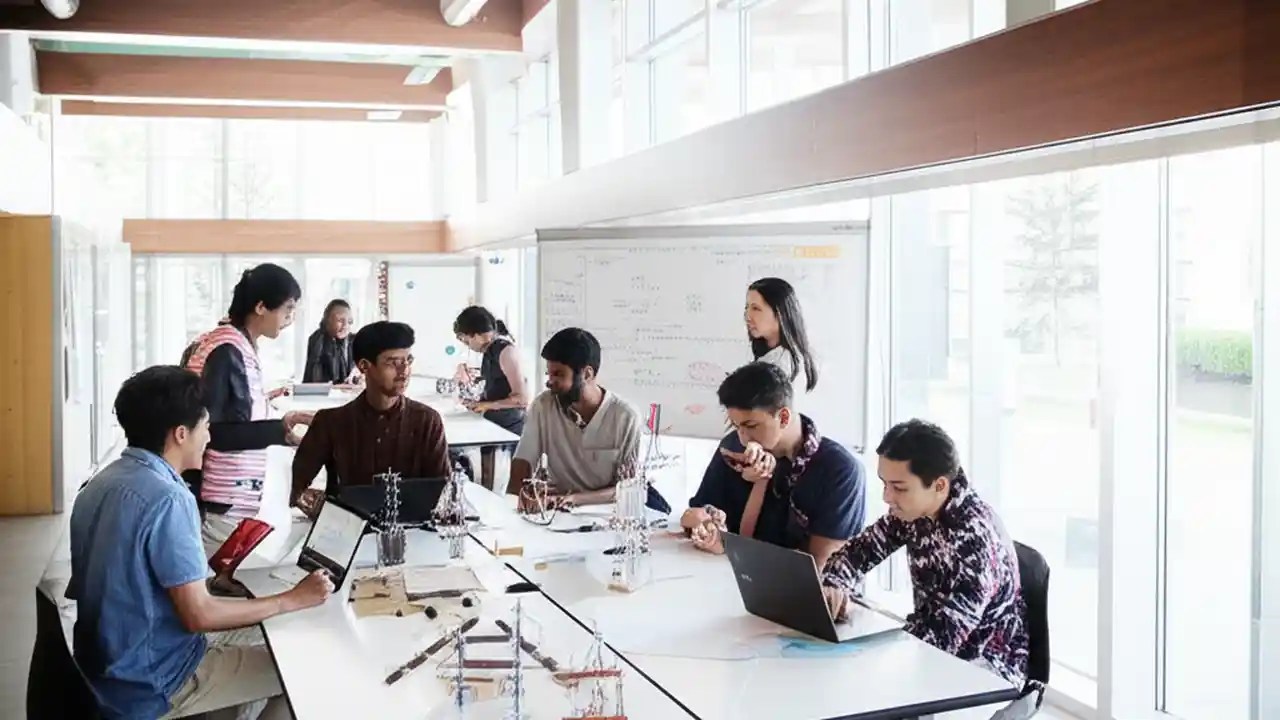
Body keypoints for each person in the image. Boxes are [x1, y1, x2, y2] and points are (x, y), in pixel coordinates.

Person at [68, 366, 333, 720]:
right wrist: (291, 598)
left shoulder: (100, 483)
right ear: (181, 434)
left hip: (103, 671)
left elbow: (125, 584)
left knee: (264, 634)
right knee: (300, 671)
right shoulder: (169, 499)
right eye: (206, 427)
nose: (209, 438)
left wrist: (209, 584)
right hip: (154, 681)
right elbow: (199, 615)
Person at [820, 419, 1028, 686]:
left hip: (983, 671)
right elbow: (858, 552)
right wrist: (835, 584)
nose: (887, 497)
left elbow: (946, 636)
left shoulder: (975, 539)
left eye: (899, 487)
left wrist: (875, 658)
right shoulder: (913, 510)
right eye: (885, 484)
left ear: (940, 485)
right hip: (928, 651)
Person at [679, 362, 865, 570]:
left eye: (751, 426)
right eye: (735, 426)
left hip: (792, 592)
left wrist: (730, 548)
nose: (742, 438)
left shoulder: (839, 470)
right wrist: (702, 524)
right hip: (723, 574)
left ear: (783, 417)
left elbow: (819, 566)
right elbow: (696, 512)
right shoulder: (732, 449)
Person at [185, 263, 313, 555]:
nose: (289, 319)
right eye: (287, 309)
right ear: (260, 307)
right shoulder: (227, 350)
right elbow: (211, 431)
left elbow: (232, 412)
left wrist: (281, 417)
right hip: (218, 498)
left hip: (228, 494)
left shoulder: (232, 343)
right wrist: (281, 431)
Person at [292, 321, 451, 515]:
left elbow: (444, 493)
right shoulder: (331, 423)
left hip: (412, 534)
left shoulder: (427, 421)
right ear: (364, 366)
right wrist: (309, 501)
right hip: (348, 535)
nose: (404, 371)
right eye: (393, 363)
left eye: (408, 360)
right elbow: (292, 486)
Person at [507, 327, 643, 507]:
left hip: (604, 516)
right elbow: (523, 462)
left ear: (587, 374)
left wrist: (573, 500)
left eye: (559, 374)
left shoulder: (625, 417)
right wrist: (516, 501)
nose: (549, 381)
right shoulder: (543, 405)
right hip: (554, 513)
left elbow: (628, 487)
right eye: (549, 373)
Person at [452, 305, 527, 435]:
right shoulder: (489, 352)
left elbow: (522, 399)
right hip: (497, 424)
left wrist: (486, 405)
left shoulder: (506, 352)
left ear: (478, 335)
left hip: (511, 430)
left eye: (467, 342)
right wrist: (478, 402)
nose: (469, 348)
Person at [744, 277, 819, 398]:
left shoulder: (779, 365)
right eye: (747, 307)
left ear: (780, 313)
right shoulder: (795, 355)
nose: (748, 316)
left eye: (756, 308)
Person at [302, 298, 357, 384]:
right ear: (327, 321)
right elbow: (316, 382)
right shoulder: (318, 340)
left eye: (350, 321)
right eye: (340, 320)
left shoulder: (353, 340)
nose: (346, 326)